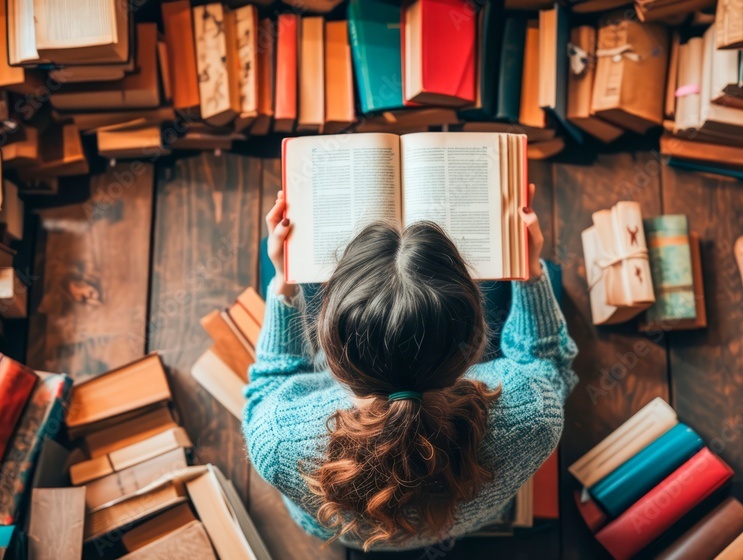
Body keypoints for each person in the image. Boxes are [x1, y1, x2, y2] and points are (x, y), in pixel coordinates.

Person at [243, 184, 579, 551]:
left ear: (333, 352)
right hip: (458, 524)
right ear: (475, 343)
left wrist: (281, 284)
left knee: (279, 253)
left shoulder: (276, 438)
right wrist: (530, 273)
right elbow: (547, 361)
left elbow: (270, 382)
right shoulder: (535, 414)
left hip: (348, 537)